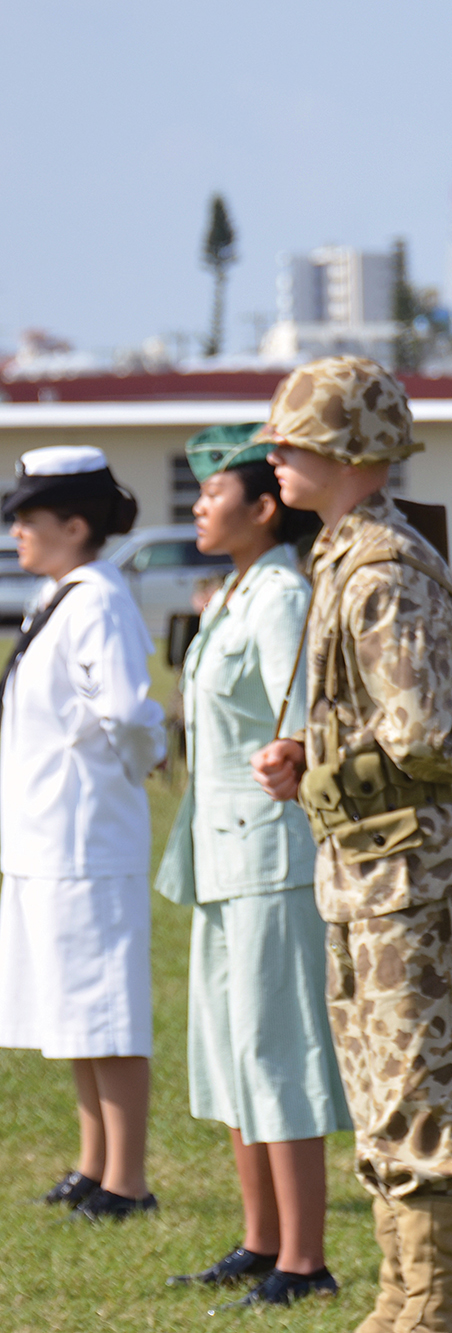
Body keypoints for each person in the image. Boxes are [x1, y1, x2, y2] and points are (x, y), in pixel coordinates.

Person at [248, 355, 452, 1333]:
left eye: (292, 438)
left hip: (407, 870)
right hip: (365, 866)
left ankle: (426, 1312)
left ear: (351, 448)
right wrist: (310, 754)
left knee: (423, 1089)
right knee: (381, 1087)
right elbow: (379, 726)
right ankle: (394, 1304)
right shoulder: (343, 554)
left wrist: (342, 763)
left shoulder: (383, 567)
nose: (273, 454)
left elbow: (428, 737)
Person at [160, 423, 346, 1307]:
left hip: (270, 853)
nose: (199, 505)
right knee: (233, 1052)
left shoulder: (277, 594)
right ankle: (260, 1237)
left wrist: (295, 748)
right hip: (220, 853)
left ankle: (303, 1261)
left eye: (214, 494)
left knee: (278, 1051)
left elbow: (301, 715)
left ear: (264, 510)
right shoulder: (235, 591)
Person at [0, 446, 167, 1222]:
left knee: (107, 1009)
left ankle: (126, 1179)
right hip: (46, 839)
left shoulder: (97, 599)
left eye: (29, 520)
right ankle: (93, 1160)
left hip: (85, 838)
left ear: (75, 524)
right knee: (72, 1008)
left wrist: (133, 771)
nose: (18, 535)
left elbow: (131, 713)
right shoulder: (60, 595)